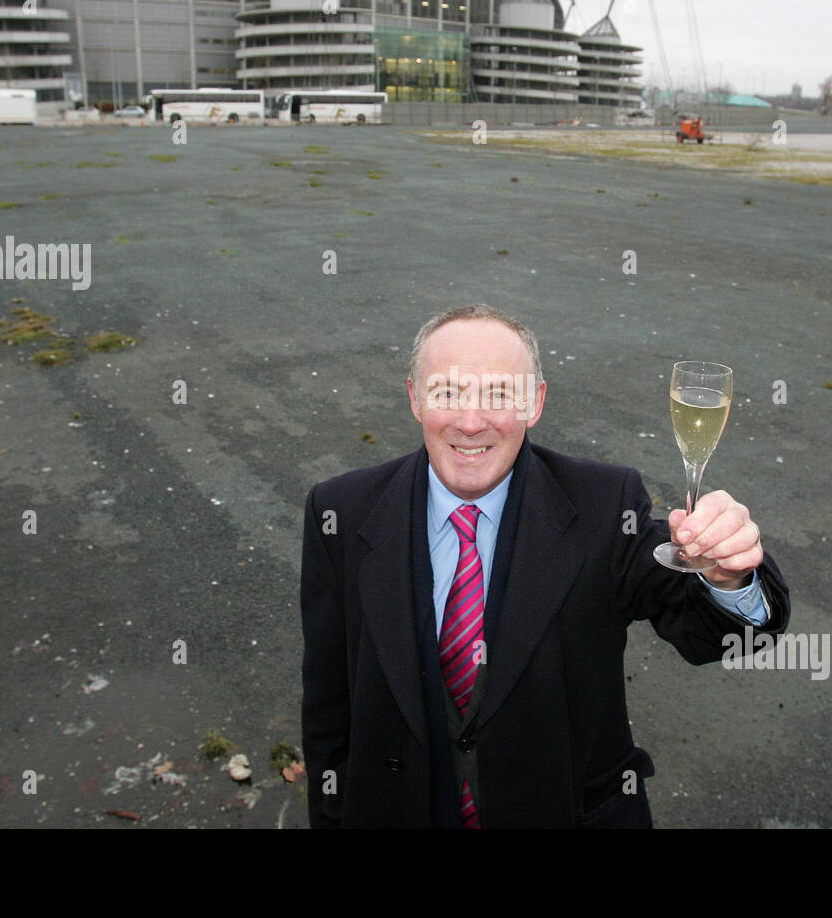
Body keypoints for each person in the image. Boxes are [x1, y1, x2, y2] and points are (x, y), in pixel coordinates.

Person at [300, 304, 790, 828]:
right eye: (448, 392)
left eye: (500, 394)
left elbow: (709, 633)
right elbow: (329, 700)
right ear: (415, 399)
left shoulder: (605, 505)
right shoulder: (341, 512)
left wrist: (729, 575)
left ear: (535, 402)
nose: (471, 422)